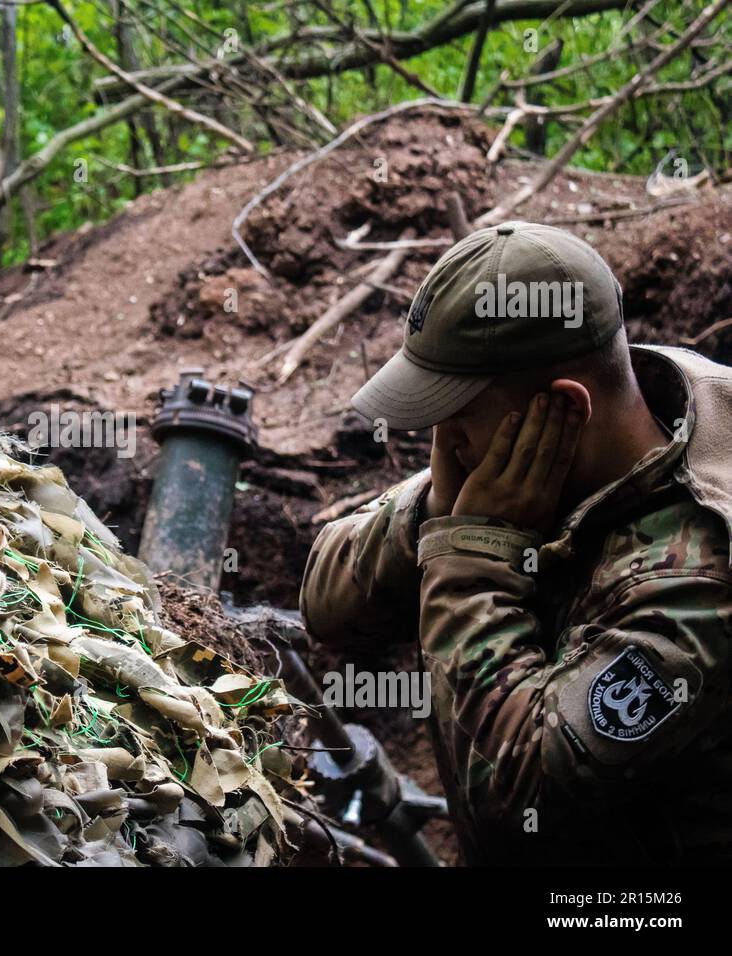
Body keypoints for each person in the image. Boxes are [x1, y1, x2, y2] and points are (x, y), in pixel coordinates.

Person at [300, 220, 732, 865]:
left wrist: (469, 559)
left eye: (454, 420)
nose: (438, 446)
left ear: (564, 406)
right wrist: (440, 508)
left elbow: (519, 804)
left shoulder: (699, 581)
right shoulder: (588, 431)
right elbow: (326, 606)